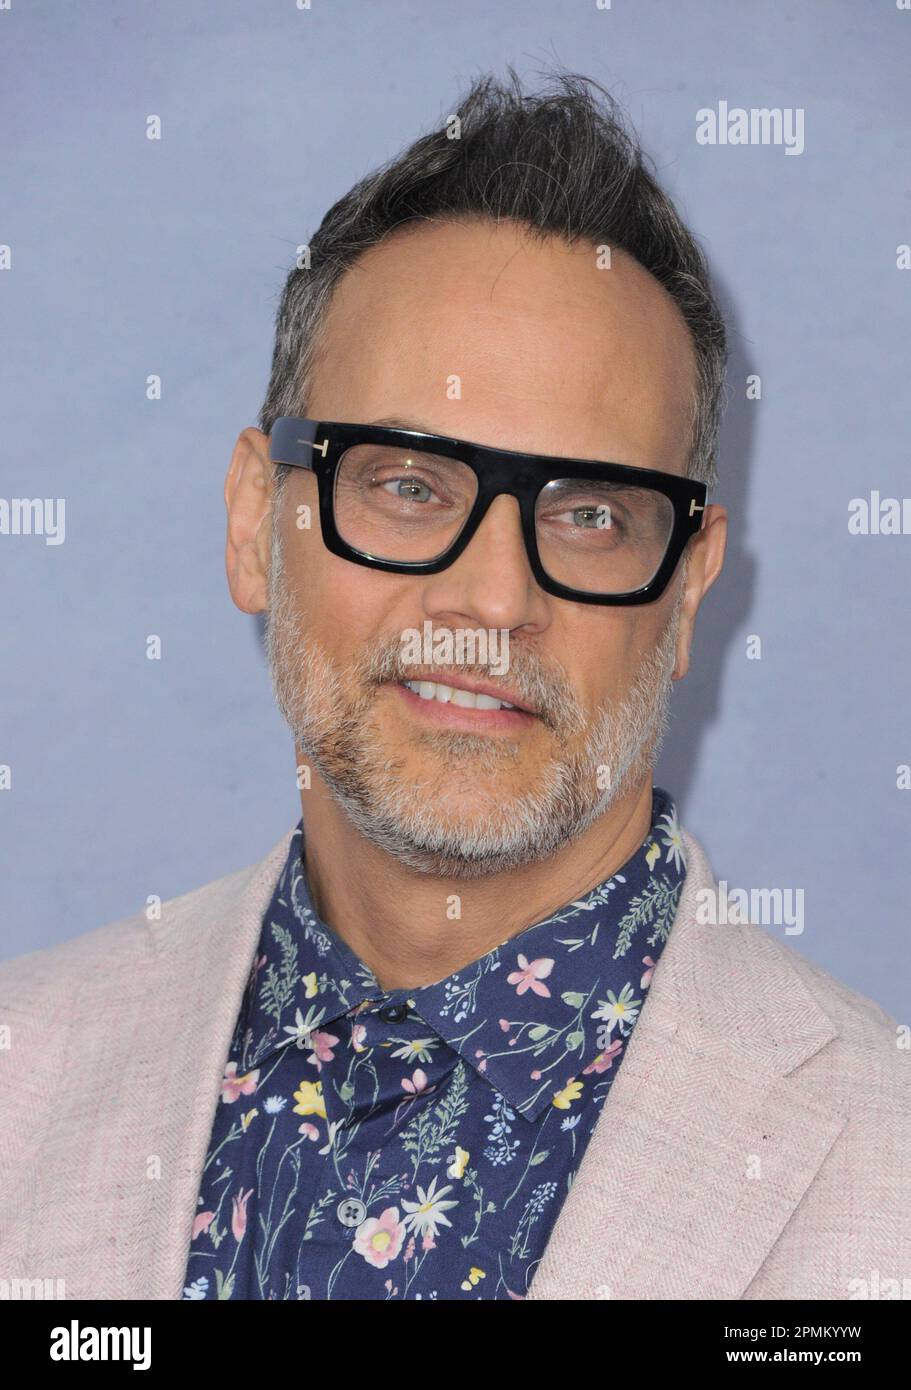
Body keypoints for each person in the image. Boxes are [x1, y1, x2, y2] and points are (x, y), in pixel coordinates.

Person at [1, 69, 906, 1303]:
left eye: (588, 513)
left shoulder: (884, 1163)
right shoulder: (23, 1072)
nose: (490, 602)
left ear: (685, 590)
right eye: (408, 485)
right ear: (255, 521)